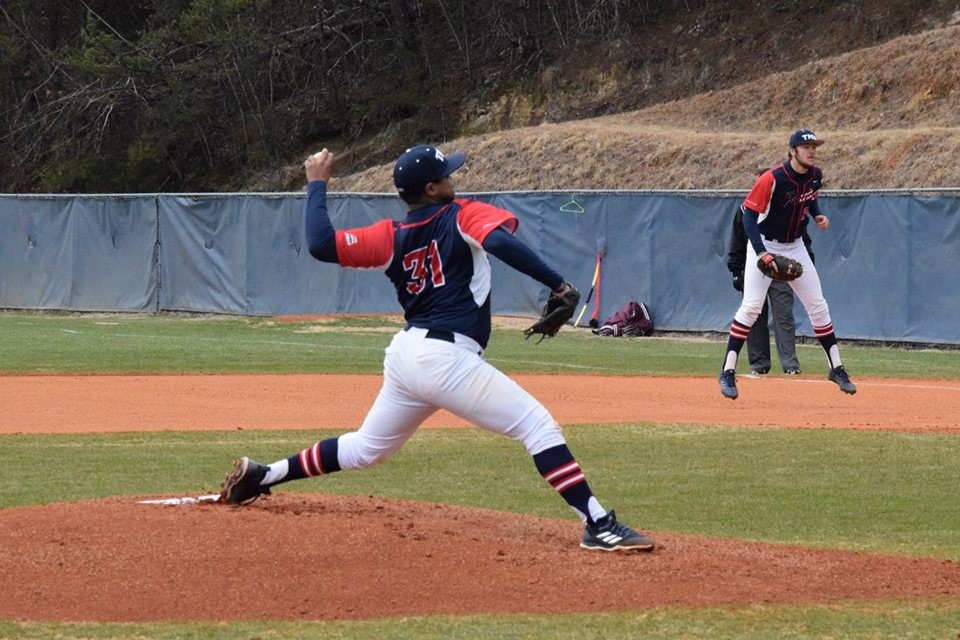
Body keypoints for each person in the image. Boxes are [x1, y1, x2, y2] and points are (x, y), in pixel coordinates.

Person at [219, 144, 655, 552]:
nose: (453, 179)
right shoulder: (459, 214)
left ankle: (264, 474)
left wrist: (316, 184)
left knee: (368, 448)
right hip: (446, 358)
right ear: (431, 189)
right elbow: (500, 241)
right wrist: (557, 283)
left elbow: (319, 244)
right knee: (537, 426)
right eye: (446, 175)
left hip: (408, 355)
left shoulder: (389, 235)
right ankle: (598, 524)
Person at [718, 129, 856, 399]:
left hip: (795, 245)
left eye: (814, 146)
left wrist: (817, 216)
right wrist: (760, 253)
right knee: (752, 307)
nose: (812, 150)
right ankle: (727, 372)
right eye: (806, 147)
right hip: (765, 243)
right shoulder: (771, 179)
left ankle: (836, 368)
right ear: (792, 151)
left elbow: (810, 198)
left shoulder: (815, 175)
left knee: (818, 305)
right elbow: (748, 218)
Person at [727, 204, 813, 375]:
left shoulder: (787, 207)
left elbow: (801, 237)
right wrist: (736, 270)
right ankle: (759, 364)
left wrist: (808, 259)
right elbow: (738, 240)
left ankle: (790, 365)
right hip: (754, 269)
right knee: (754, 316)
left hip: (779, 270)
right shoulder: (745, 208)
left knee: (784, 316)